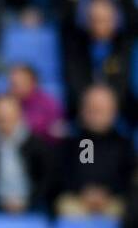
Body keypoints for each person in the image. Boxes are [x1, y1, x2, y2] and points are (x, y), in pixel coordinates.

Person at [55, 83, 133, 217]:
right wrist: (84, 192)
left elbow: (128, 178)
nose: (95, 114)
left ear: (113, 111)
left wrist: (107, 193)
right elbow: (66, 176)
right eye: (91, 108)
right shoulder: (77, 143)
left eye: (101, 109)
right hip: (78, 200)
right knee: (66, 206)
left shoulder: (123, 144)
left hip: (114, 200)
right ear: (82, 110)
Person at [0, 94, 53, 214]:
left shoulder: (37, 145)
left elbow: (45, 180)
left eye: (10, 117)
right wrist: (2, 202)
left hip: (32, 203)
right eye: (1, 118)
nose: (5, 123)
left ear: (19, 116)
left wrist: (27, 201)